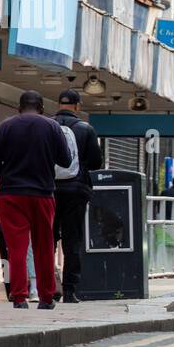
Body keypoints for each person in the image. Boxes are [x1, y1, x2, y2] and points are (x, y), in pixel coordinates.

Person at [0, 91, 73, 310]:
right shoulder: (52, 127)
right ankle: (46, 297)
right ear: (41, 107)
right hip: (42, 194)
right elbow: (66, 160)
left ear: (19, 107)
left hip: (12, 195)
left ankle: (20, 297)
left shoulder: (6, 127)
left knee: (17, 249)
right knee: (43, 246)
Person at [52, 89, 102, 304]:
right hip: (76, 190)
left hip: (49, 190)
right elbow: (96, 162)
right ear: (77, 106)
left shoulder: (47, 125)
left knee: (47, 239)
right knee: (73, 240)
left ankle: (47, 285)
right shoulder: (85, 129)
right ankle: (70, 290)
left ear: (59, 104)